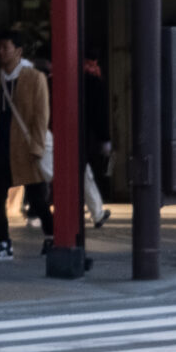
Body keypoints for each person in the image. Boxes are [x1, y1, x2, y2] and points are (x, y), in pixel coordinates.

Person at [0, 31, 50, 261]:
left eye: (5, 47)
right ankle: (3, 241)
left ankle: (52, 235)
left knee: (37, 198)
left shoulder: (34, 77)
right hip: (0, 146)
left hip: (25, 147)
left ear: (18, 51)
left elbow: (41, 115)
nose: (1, 52)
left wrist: (37, 146)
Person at [81, 57, 112, 227]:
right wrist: (105, 138)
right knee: (85, 173)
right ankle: (97, 213)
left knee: (84, 174)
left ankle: (97, 212)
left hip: (73, 134)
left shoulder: (68, 80)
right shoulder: (95, 82)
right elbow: (101, 114)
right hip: (89, 137)